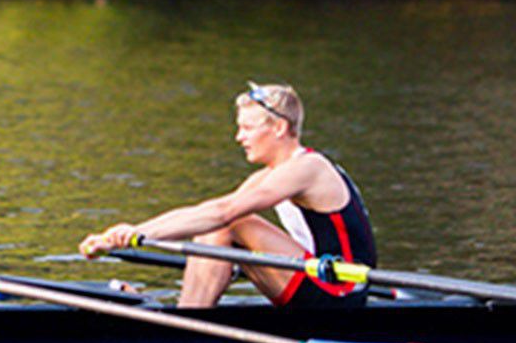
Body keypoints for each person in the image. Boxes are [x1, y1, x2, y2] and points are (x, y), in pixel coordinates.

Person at [78, 82, 375, 308]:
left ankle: (187, 323)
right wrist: (117, 235)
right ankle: (188, 314)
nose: (239, 137)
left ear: (280, 128)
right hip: (317, 283)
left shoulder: (309, 168)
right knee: (218, 223)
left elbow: (224, 214)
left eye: (247, 128)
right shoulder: (266, 178)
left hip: (343, 292)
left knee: (231, 221)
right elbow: (206, 211)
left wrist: (139, 233)